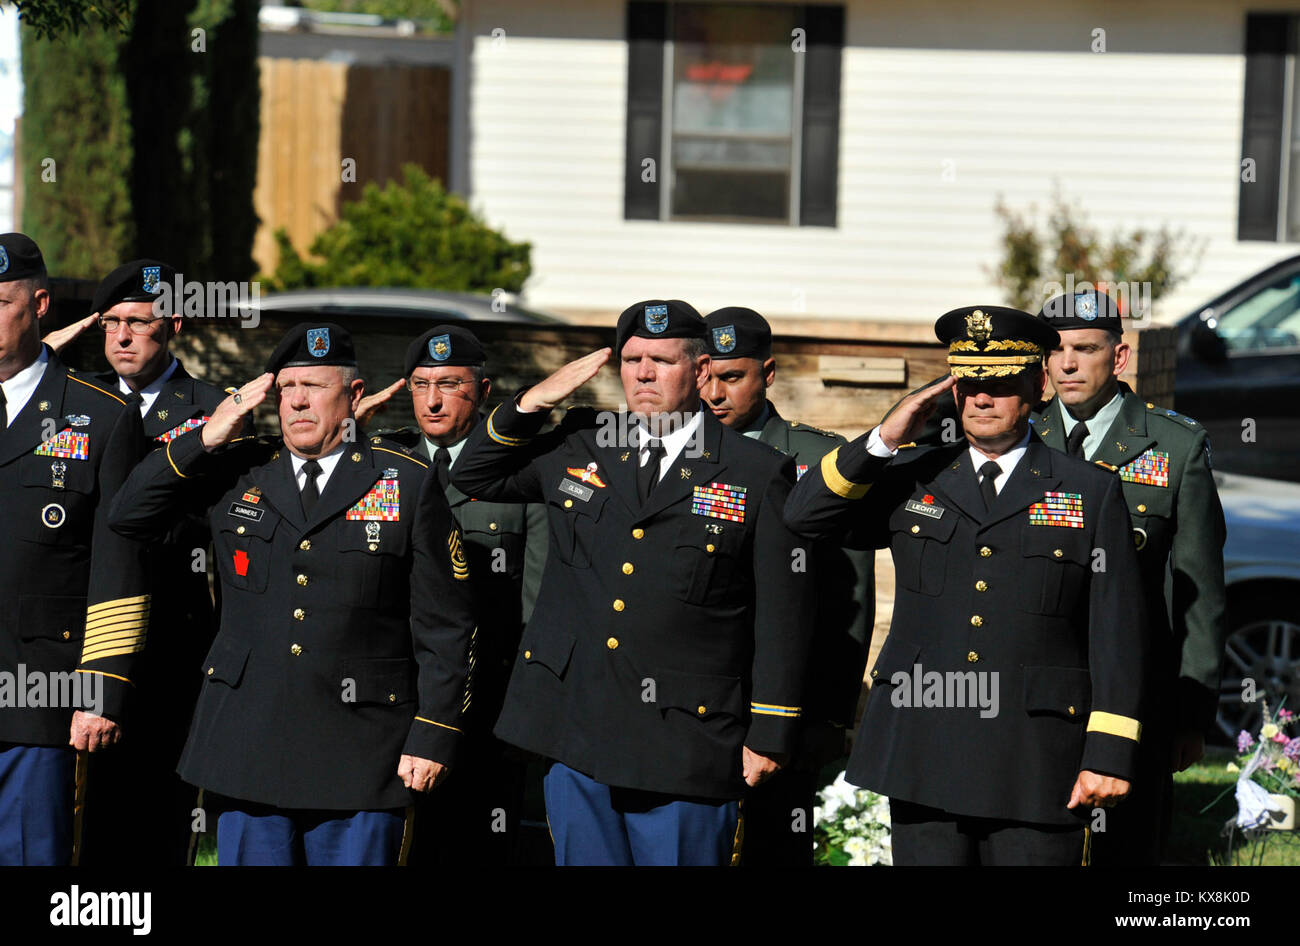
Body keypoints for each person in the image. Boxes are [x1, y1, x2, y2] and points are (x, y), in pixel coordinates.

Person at [451, 299, 815, 866]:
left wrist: (771, 726)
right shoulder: (582, 441)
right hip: (576, 724)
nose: (643, 373)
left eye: (662, 361)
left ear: (700, 372)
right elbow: (473, 474)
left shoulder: (755, 470)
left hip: (686, 736)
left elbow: (782, 608)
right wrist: (532, 401)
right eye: (632, 359)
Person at [784, 305, 1150, 866]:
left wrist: (1109, 752)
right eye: (971, 385)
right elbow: (806, 518)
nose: (982, 399)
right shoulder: (914, 474)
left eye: (1000, 385)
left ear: (1038, 384)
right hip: (925, 747)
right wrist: (884, 437)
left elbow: (1117, 629)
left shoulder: (1089, 490)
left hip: (1036, 757)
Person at [108, 321, 475, 865]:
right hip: (250, 739)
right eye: (287, 389)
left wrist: (435, 731)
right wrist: (208, 435)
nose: (298, 402)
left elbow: (446, 624)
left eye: (315, 387)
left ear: (353, 395)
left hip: (363, 748)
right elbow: (128, 515)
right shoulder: (237, 469)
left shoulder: (405, 480)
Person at [50, 259, 241, 865]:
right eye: (111, 323)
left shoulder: (215, 411)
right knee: (69, 814)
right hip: (76, 629)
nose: (123, 337)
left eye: (138, 322)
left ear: (175, 324)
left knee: (156, 809)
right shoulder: (75, 399)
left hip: (169, 634)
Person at [1036, 289, 1226, 865]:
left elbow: (1200, 591)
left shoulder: (1174, 445)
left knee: (1125, 848)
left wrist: (1191, 714)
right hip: (1040, 695)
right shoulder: (1023, 437)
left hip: (1138, 694)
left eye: (1085, 349)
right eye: (1057, 350)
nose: (1068, 363)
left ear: (1118, 358)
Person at [360, 324, 546, 865]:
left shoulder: (521, 471)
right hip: (386, 690)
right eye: (420, 385)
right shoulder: (378, 462)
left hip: (485, 694)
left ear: (485, 393)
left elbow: (534, 599)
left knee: (476, 841)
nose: (433, 401)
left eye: (450, 384)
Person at [701, 306, 873, 866]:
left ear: (768, 373)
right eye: (705, 374)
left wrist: (828, 715)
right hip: (690, 701)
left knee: (774, 846)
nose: (715, 393)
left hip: (786, 706)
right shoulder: (678, 455)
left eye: (732, 377)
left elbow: (849, 602)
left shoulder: (820, 459)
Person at [0, 233, 150, 865]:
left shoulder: (101, 415)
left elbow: (119, 562)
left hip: (37, 693)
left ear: (39, 306)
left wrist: (101, 686)